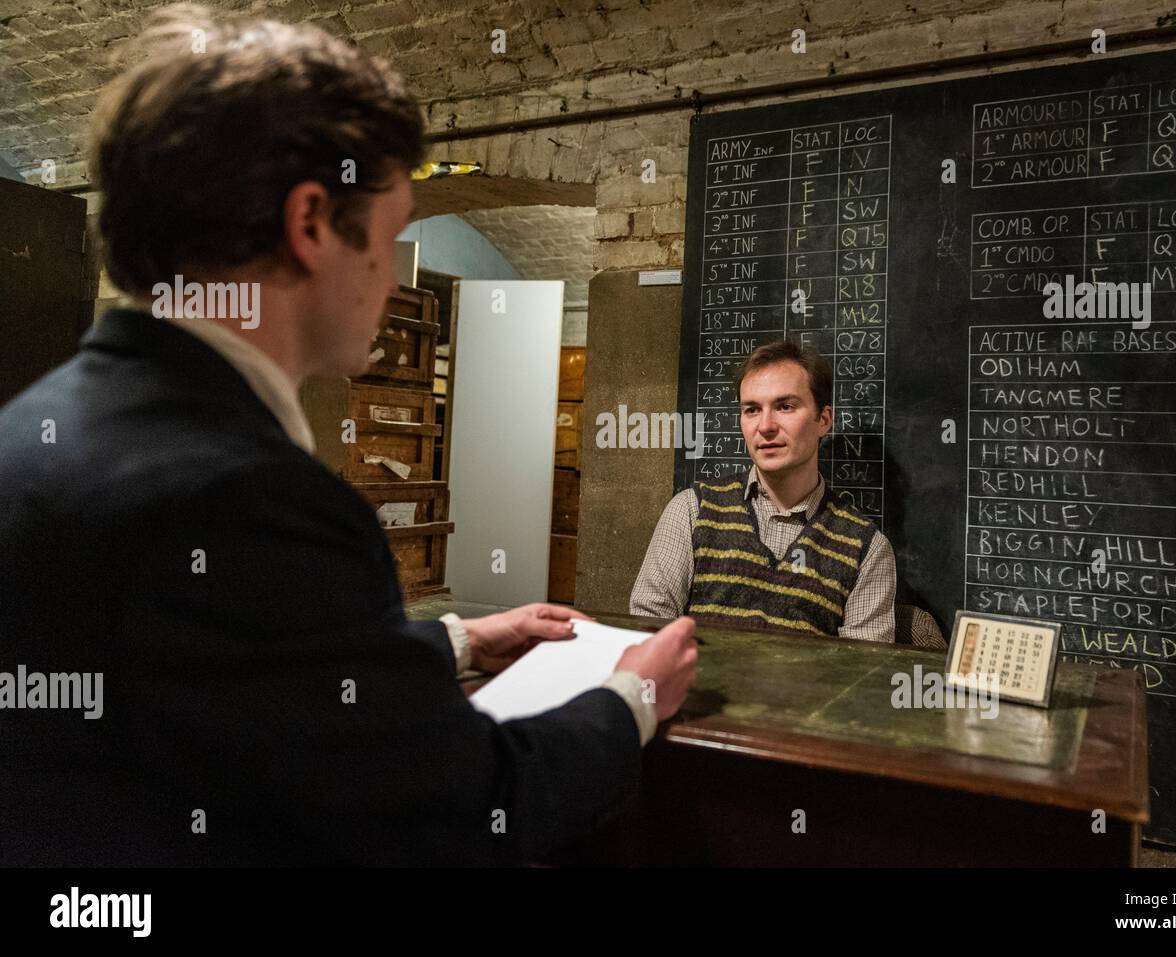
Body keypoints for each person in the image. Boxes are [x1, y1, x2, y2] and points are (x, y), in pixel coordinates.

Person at [0, 4, 696, 866]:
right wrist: (635, 695)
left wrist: (458, 639)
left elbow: (225, 674)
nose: (389, 267)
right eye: (392, 230)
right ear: (310, 224)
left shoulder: (27, 435)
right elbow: (466, 809)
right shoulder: (256, 497)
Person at [631, 340, 896, 641]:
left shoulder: (866, 547)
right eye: (752, 409)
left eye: (785, 406)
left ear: (823, 420)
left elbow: (860, 671)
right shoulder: (692, 510)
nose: (766, 426)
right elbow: (647, 631)